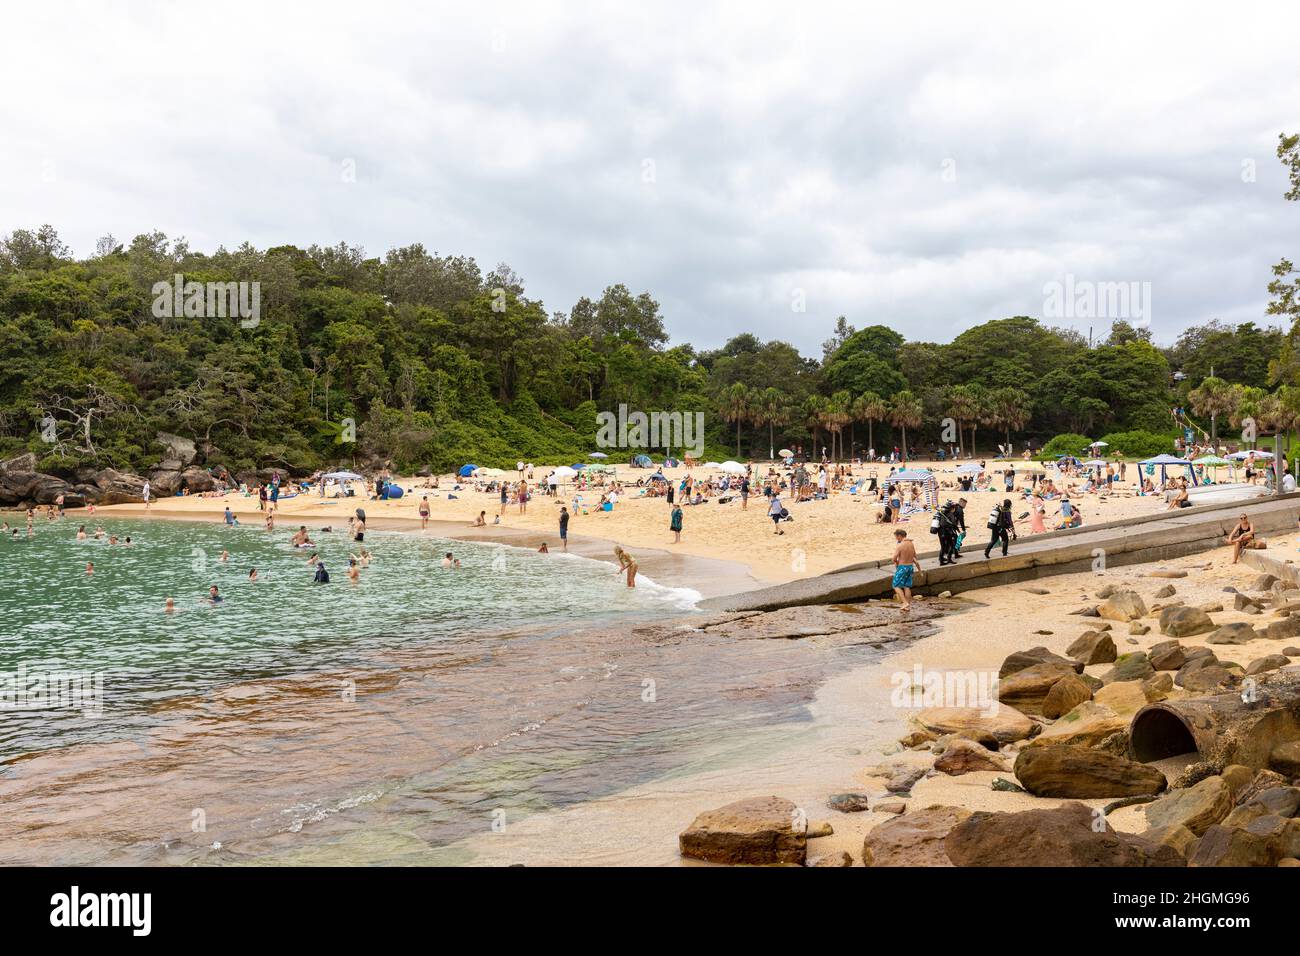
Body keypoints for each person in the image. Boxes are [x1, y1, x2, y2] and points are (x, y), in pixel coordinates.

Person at [891, 529, 916, 611]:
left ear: (899, 536)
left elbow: (894, 558)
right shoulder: (911, 544)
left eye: (896, 537)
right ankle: (907, 606)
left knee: (896, 585)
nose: (896, 539)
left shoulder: (900, 545)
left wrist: (896, 562)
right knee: (906, 586)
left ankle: (905, 602)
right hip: (910, 567)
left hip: (902, 567)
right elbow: (915, 556)